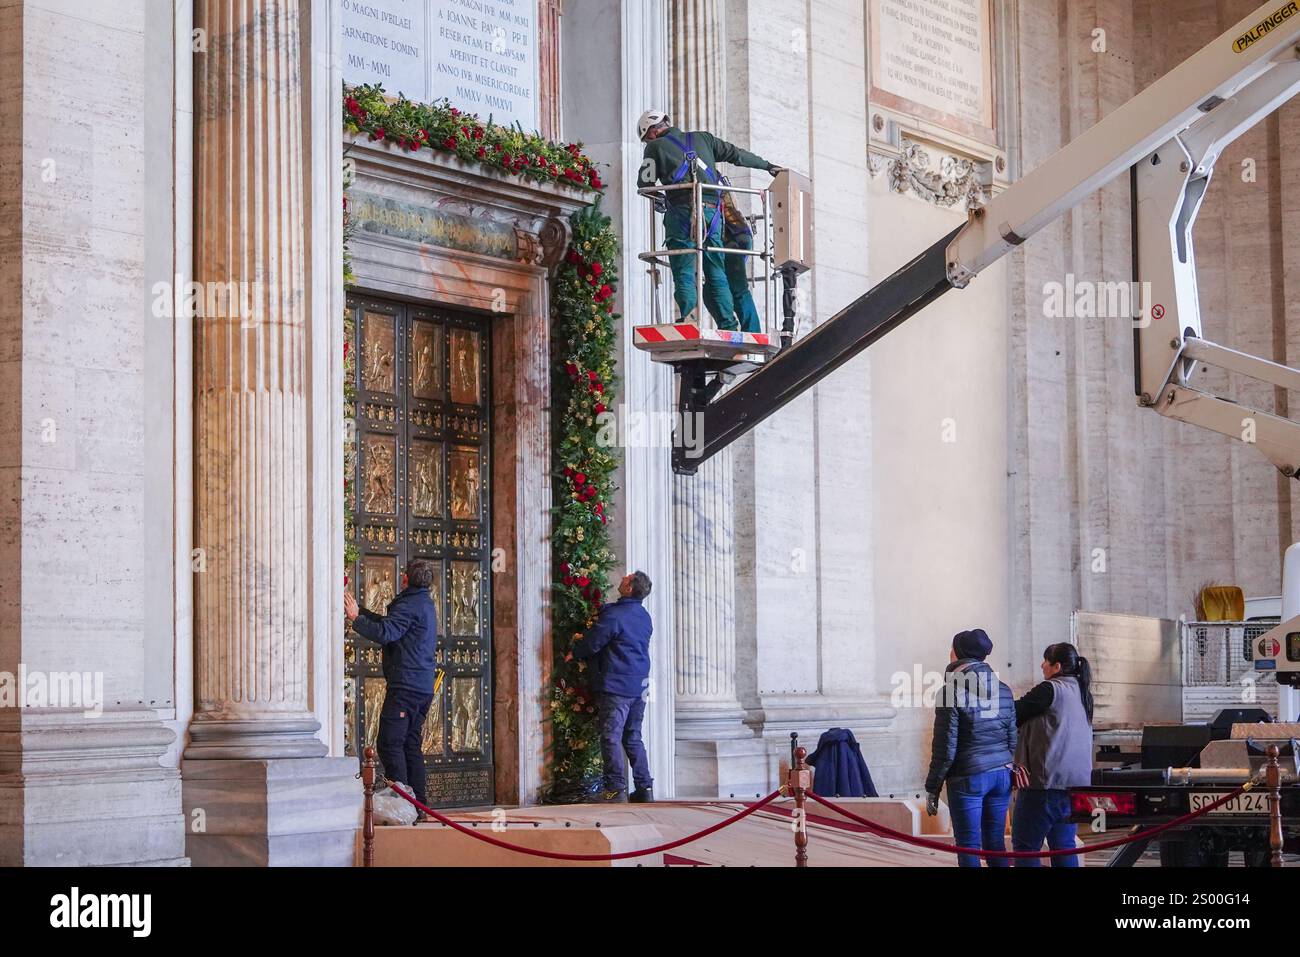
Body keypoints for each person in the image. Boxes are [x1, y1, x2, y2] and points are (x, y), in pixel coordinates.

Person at [636, 109, 782, 330]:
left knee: (684, 266)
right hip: (713, 213)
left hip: (681, 212)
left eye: (647, 138)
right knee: (715, 269)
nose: (648, 141)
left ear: (652, 132)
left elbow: (645, 183)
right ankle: (729, 326)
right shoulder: (703, 138)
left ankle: (688, 317)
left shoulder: (654, 147)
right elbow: (737, 154)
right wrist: (768, 166)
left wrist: (657, 197)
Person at [344, 559, 439, 812]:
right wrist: (360, 611)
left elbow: (387, 632)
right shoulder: (424, 603)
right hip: (421, 686)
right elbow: (391, 624)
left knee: (390, 743)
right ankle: (419, 805)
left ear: (405, 577)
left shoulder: (409, 604)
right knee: (409, 744)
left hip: (406, 687)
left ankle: (404, 806)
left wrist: (356, 620)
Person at [924, 628, 1017, 868]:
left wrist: (933, 788)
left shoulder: (950, 691)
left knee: (968, 847)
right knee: (996, 844)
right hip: (1001, 773)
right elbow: (1012, 737)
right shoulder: (1004, 689)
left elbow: (945, 747)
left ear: (956, 653)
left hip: (969, 777)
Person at [572, 570, 655, 803]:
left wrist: (575, 652)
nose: (622, 579)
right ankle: (644, 788)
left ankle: (614, 790)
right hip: (640, 685)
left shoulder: (616, 616)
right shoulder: (644, 616)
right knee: (633, 736)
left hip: (618, 686)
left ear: (630, 588)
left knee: (611, 736)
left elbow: (593, 642)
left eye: (626, 579)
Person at [1011, 642, 1094, 867]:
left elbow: (1014, 712)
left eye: (1045, 661)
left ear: (1056, 666)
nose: (1041, 665)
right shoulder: (1083, 691)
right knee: (1064, 846)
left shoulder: (1050, 690)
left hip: (1045, 785)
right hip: (1075, 786)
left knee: (1025, 849)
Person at [720, 193, 762, 333]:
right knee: (737, 289)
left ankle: (749, 330)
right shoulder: (716, 179)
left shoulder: (705, 180)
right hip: (739, 234)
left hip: (731, 239)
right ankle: (750, 330)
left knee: (734, 289)